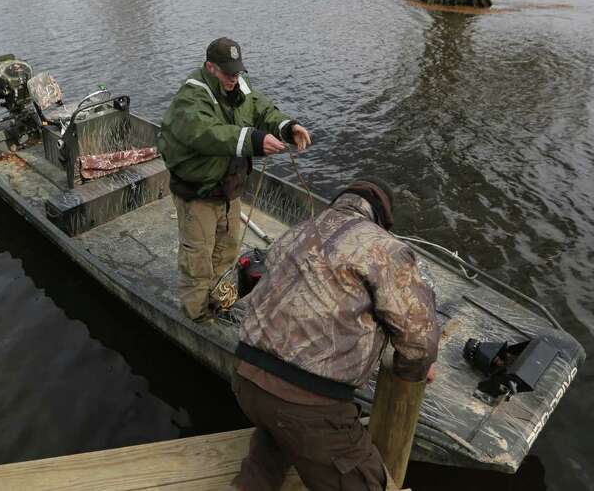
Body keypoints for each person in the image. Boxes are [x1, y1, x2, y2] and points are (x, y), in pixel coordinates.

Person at [231, 179, 440, 491]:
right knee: (364, 480)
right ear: (383, 219)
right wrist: (412, 372)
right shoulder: (385, 247)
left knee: (272, 449)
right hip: (309, 404)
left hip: (244, 379)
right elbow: (419, 340)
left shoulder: (299, 230)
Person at [157, 37, 312, 322]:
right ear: (210, 68)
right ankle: (197, 320)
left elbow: (262, 108)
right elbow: (207, 133)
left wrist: (288, 128)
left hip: (228, 190)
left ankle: (219, 302)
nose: (234, 78)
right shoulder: (191, 97)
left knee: (227, 251)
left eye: (238, 71)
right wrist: (254, 140)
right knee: (197, 261)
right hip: (199, 194)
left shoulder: (238, 83)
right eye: (228, 73)